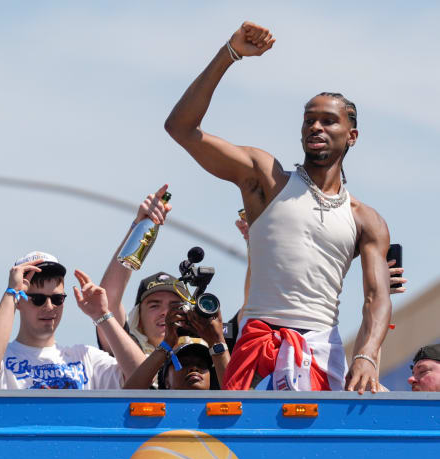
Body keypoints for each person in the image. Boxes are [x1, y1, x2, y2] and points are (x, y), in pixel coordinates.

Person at [165, 21, 391, 394]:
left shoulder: (365, 219)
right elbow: (181, 128)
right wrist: (230, 54)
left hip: (320, 351)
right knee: (249, 446)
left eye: (328, 121)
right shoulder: (266, 180)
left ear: (351, 135)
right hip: (258, 344)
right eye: (309, 120)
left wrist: (366, 354)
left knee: (315, 450)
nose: (316, 127)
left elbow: (376, 297)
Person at [0, 252, 145, 390]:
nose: (50, 307)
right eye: (38, 299)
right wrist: (11, 293)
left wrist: (102, 314)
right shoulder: (3, 358)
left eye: (57, 299)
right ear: (19, 301)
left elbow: (143, 376)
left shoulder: (85, 357)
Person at [99, 186, 177, 355]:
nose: (165, 312)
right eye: (154, 305)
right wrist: (140, 226)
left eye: (175, 305)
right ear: (139, 319)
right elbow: (108, 301)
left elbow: (248, 314)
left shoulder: (210, 352)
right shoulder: (126, 353)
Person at [123, 304, 229, 390]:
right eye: (184, 363)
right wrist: (167, 343)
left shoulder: (226, 408)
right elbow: (125, 400)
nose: (194, 368)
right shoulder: (155, 408)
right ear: (166, 380)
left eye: (202, 365)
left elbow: (238, 395)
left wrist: (217, 341)